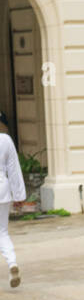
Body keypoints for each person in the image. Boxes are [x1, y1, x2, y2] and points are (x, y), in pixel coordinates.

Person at [0, 110, 25, 288]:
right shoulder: (5, 140)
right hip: (2, 189)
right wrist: (19, 196)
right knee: (2, 232)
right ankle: (12, 263)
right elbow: (13, 169)